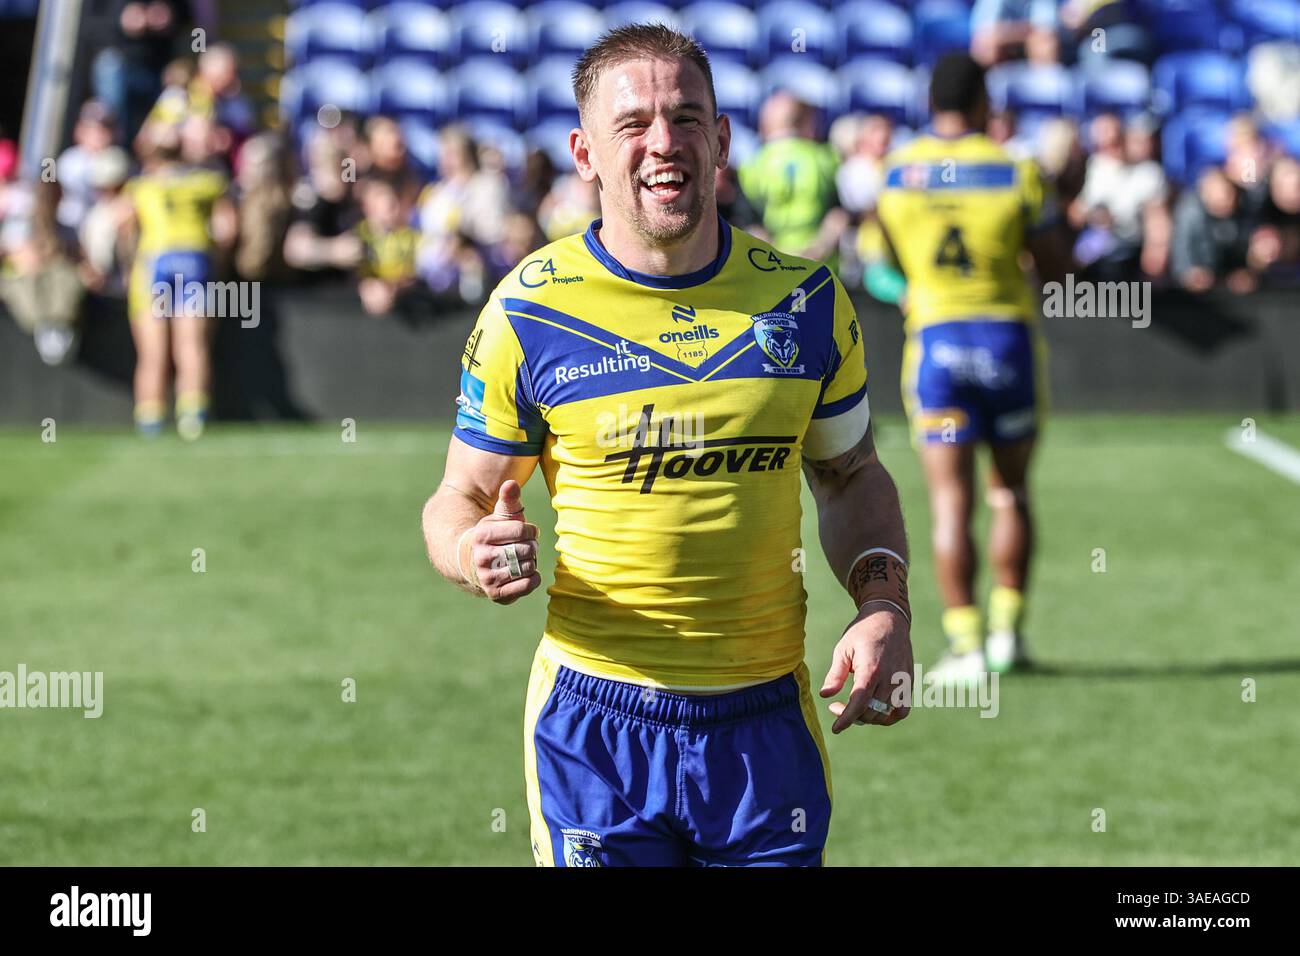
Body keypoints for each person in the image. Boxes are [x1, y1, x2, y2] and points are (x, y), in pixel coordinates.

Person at [421, 24, 912, 867]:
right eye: (633, 123)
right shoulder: (527, 313)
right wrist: (471, 549)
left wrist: (884, 603)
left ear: (721, 139)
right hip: (595, 725)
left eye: (688, 117)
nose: (664, 142)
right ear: (584, 153)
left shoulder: (806, 303)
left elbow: (850, 474)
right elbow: (457, 495)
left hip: (765, 723)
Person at [873, 53, 1068, 681]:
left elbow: (881, 266)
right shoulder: (1017, 170)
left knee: (950, 503)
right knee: (1010, 492)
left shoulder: (898, 174)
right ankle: (1010, 632)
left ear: (932, 102)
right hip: (1006, 341)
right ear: (985, 101)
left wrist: (910, 287)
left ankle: (967, 646)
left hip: (936, 343)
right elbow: (1059, 265)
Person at [120, 127, 235, 438]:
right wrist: (218, 261)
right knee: (192, 345)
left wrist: (126, 266)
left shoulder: (140, 187)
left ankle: (150, 420)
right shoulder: (208, 183)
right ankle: (192, 417)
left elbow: (123, 229)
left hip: (154, 262)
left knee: (152, 352)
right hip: (195, 260)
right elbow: (228, 230)